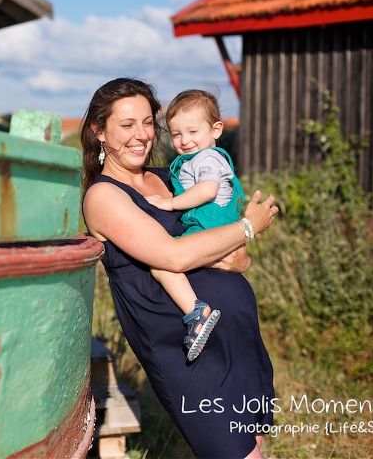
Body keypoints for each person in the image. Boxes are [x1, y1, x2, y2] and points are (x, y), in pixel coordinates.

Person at [81, 78, 278, 459]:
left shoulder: (172, 176)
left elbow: (223, 243)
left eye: (148, 122)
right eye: (126, 125)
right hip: (187, 350)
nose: (141, 135)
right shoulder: (104, 196)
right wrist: (248, 228)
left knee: (253, 442)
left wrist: (241, 258)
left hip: (234, 335)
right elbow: (173, 257)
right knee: (233, 452)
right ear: (98, 130)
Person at [144, 90, 245, 362]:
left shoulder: (208, 159)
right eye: (176, 134)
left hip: (209, 221)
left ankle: (197, 311)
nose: (184, 141)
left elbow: (208, 190)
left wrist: (172, 204)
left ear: (216, 129)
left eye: (192, 132)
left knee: (163, 263)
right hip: (212, 223)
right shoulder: (195, 159)